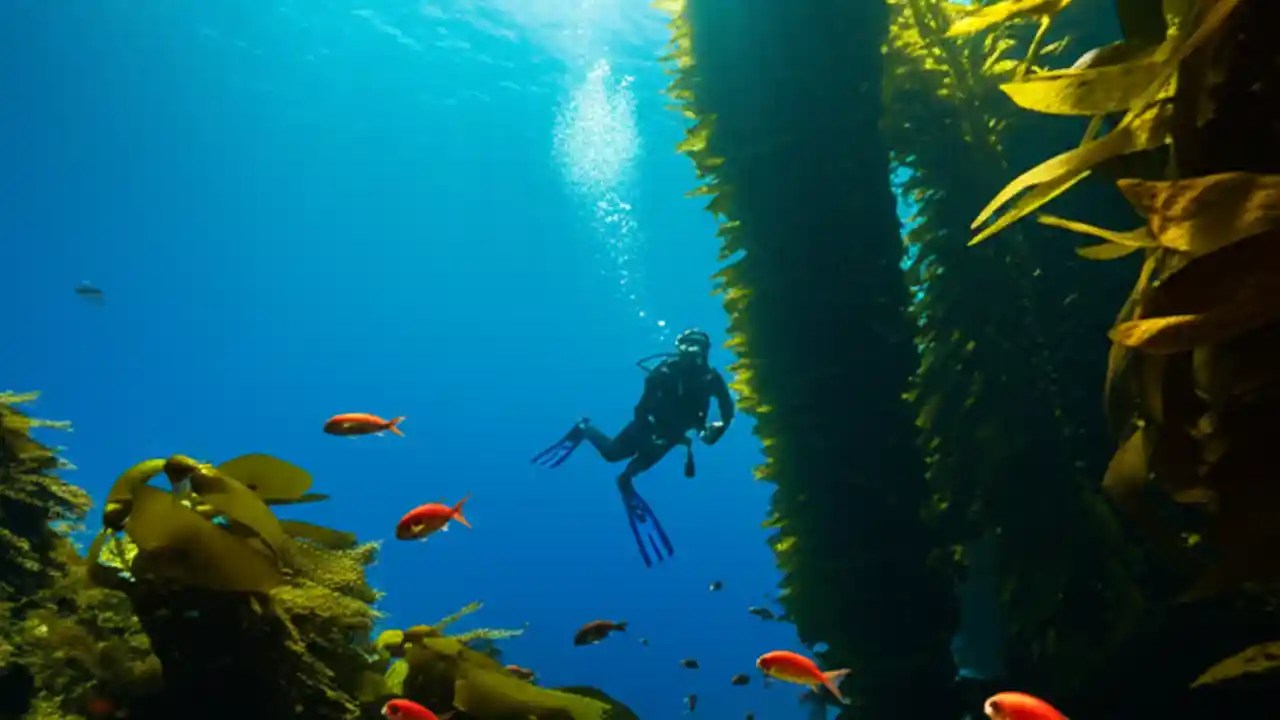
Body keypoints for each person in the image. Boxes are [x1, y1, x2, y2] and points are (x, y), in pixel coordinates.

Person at [531, 328, 735, 567]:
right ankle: (584, 429)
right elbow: (642, 408)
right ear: (680, 347)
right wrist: (648, 431)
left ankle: (625, 480)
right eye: (689, 345)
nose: (693, 350)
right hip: (649, 426)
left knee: (635, 469)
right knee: (612, 455)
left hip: (672, 434)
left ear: (706, 351)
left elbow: (727, 409)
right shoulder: (664, 372)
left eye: (698, 346)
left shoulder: (711, 378)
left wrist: (718, 428)